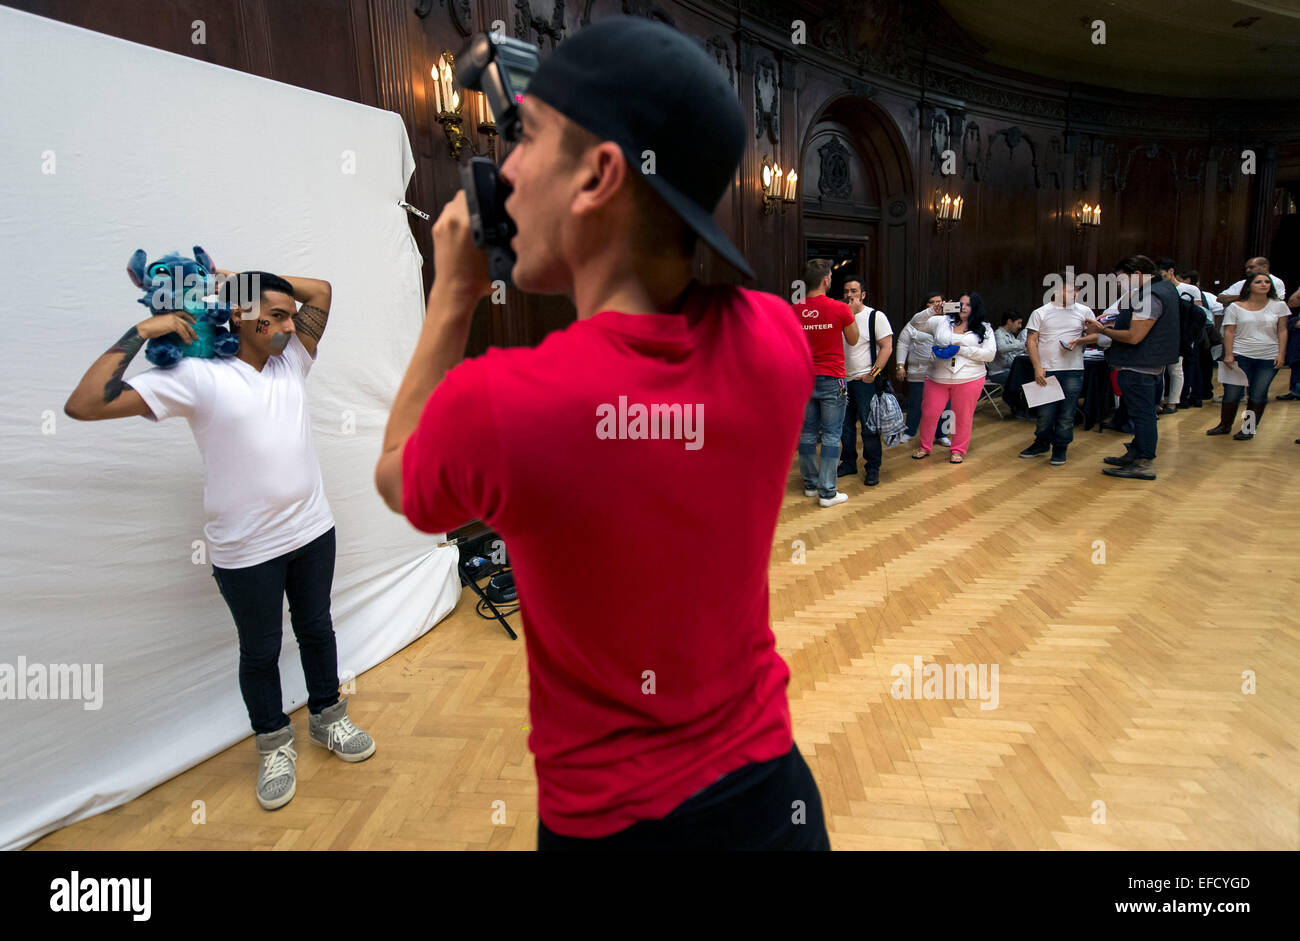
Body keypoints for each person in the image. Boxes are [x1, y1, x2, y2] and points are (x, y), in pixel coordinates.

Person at [372, 16, 830, 851]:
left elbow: (401, 481)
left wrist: (452, 297)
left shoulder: (506, 404)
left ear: (597, 178)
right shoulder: (775, 341)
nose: (505, 169)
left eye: (528, 138)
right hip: (773, 802)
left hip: (612, 828)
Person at [63, 268, 375, 812]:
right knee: (260, 651)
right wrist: (142, 330)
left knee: (317, 629)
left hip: (312, 531)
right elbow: (85, 404)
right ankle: (275, 745)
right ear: (239, 317)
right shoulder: (197, 376)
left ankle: (329, 718)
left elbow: (321, 290)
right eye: (274, 316)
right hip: (245, 551)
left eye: (286, 315)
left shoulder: (291, 360)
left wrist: (237, 277)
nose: (287, 325)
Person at [1084, 255, 1181, 480]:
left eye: (1121, 280)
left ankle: (1143, 462)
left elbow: (1134, 336)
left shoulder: (1149, 296)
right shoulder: (1165, 289)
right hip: (1151, 363)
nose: (1120, 285)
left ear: (1137, 274)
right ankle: (1136, 453)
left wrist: (1102, 331)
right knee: (1141, 413)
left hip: (1139, 366)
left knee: (1143, 415)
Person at [794, 259, 860, 507]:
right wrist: (851, 314)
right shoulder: (839, 308)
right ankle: (828, 492)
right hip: (832, 378)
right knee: (832, 435)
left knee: (808, 434)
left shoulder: (793, 310)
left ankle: (811, 485)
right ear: (825, 280)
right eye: (831, 276)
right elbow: (853, 340)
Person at [912, 292, 996, 463]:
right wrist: (932, 311)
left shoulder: (984, 327)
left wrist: (961, 349)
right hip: (937, 377)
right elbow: (916, 323)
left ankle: (958, 450)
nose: (963, 307)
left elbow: (990, 355)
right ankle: (924, 446)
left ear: (976, 308)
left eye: (968, 304)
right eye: (960, 303)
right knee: (929, 412)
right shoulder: (941, 321)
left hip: (970, 378)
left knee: (962, 416)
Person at [1018, 281, 1094, 465]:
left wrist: (1079, 340)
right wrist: (1037, 367)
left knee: (1067, 414)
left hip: (1073, 370)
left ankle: (1061, 447)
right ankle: (1042, 442)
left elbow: (1096, 335)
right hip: (1047, 369)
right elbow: (1031, 341)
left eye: (1076, 290)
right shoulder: (1041, 312)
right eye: (1069, 290)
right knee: (1045, 414)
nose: (1074, 293)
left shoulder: (1084, 311)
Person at [1207, 272, 1290, 439]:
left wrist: (1281, 354)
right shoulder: (1235, 307)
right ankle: (1225, 425)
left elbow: (1282, 330)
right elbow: (1229, 331)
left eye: (1267, 282)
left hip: (1267, 356)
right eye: (1258, 282)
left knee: (1257, 394)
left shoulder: (1279, 306)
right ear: (1249, 286)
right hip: (1240, 355)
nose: (1264, 284)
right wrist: (1229, 354)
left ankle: (1249, 428)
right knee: (1232, 393)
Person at [838, 275, 892, 486]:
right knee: (845, 426)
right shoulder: (839, 316)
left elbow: (887, 346)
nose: (849, 296)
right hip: (842, 381)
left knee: (869, 427)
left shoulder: (875, 316)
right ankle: (849, 462)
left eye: (853, 291)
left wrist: (874, 373)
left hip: (864, 381)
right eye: (846, 292)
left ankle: (872, 467)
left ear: (863, 295)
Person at [896, 292, 950, 444]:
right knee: (915, 403)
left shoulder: (950, 321)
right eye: (931, 302)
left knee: (946, 404)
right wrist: (900, 365)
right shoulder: (917, 321)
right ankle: (910, 431)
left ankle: (942, 434)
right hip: (918, 371)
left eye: (939, 301)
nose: (935, 305)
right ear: (925, 305)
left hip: (942, 371)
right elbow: (903, 342)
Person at [1215, 256, 1286, 305]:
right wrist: (1243, 296)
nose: (1247, 270)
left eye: (1251, 267)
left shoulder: (1275, 281)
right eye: (1246, 268)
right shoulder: (1242, 282)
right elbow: (1220, 298)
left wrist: (1235, 299)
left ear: (1264, 267)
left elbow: (1270, 301)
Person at [990, 310, 1026, 385]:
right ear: (1009, 321)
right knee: (1025, 377)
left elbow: (1019, 348)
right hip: (998, 373)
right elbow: (1001, 349)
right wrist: (1024, 344)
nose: (1020, 326)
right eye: (1018, 323)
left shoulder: (1011, 335)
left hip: (1009, 370)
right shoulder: (998, 333)